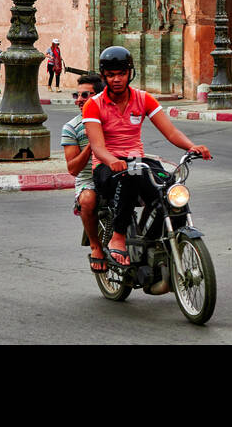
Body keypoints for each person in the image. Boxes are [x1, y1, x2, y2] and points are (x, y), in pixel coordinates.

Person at [83, 45, 211, 269]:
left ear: (129, 74)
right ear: (104, 76)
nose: (116, 79)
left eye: (121, 74)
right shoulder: (93, 105)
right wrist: (112, 160)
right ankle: (119, 236)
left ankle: (163, 237)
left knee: (171, 186)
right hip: (107, 168)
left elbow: (171, 132)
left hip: (137, 162)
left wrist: (192, 147)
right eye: (111, 75)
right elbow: (97, 147)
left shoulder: (143, 99)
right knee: (132, 174)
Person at [61, 73, 105, 271]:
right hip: (89, 179)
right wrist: (90, 144)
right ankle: (96, 246)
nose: (79, 100)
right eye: (76, 95)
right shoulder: (72, 127)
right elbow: (73, 169)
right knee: (87, 200)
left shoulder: (112, 119)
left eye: (85, 95)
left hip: (116, 175)